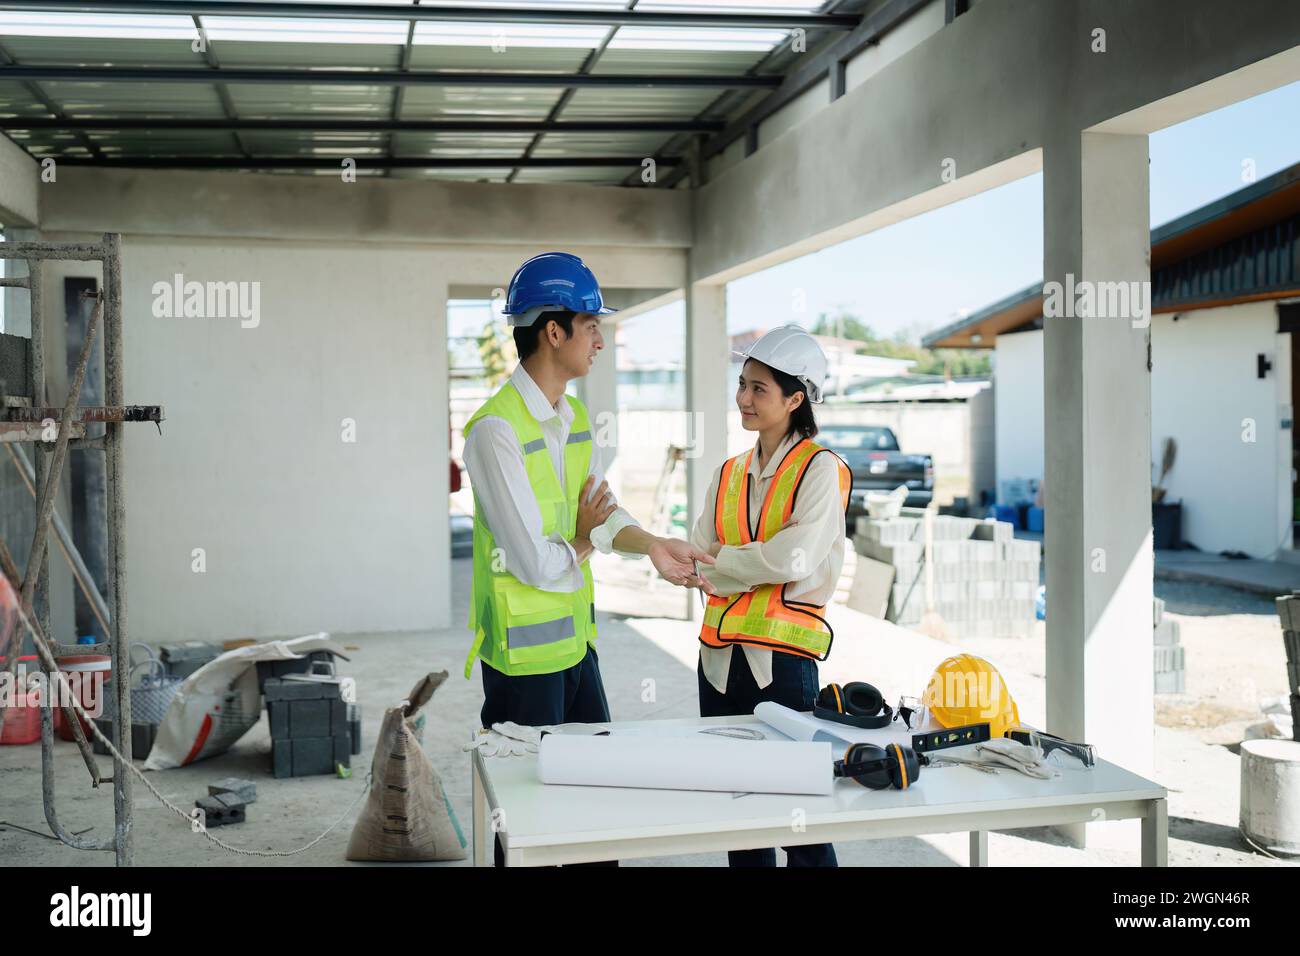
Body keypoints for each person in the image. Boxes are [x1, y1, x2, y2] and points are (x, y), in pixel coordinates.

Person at [462, 252, 715, 867]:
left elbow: (600, 516)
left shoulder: (573, 418)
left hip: (578, 650)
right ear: (554, 331)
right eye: (592, 325)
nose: (601, 339)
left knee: (596, 813)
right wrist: (584, 537)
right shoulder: (494, 432)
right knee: (526, 826)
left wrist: (652, 545)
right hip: (524, 670)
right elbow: (536, 563)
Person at [689, 324, 852, 868]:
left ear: (795, 397)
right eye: (742, 385)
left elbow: (796, 558)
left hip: (782, 663)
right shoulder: (729, 473)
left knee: (798, 819)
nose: (743, 398)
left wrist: (728, 563)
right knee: (742, 815)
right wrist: (747, 564)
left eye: (759, 388)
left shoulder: (820, 469)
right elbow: (697, 554)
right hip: (717, 661)